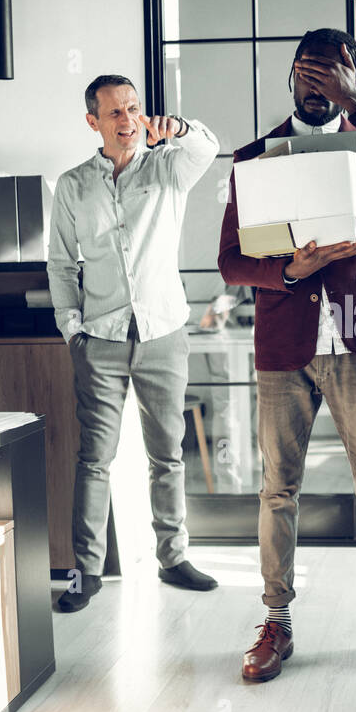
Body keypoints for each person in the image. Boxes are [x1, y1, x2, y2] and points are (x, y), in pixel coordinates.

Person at [218, 28, 356, 682]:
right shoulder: (255, 157)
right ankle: (276, 623)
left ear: (349, 79)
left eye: (331, 75)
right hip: (286, 344)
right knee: (277, 490)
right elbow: (230, 262)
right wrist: (288, 271)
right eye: (307, 75)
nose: (317, 87)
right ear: (290, 77)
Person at [48, 74, 220, 612]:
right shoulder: (73, 185)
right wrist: (70, 326)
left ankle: (173, 558)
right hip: (99, 337)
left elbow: (208, 148)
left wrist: (181, 127)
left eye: (133, 109)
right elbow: (59, 261)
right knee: (95, 458)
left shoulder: (169, 167)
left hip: (163, 333)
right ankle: (88, 571)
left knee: (167, 454)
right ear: (93, 121)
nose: (127, 121)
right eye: (115, 113)